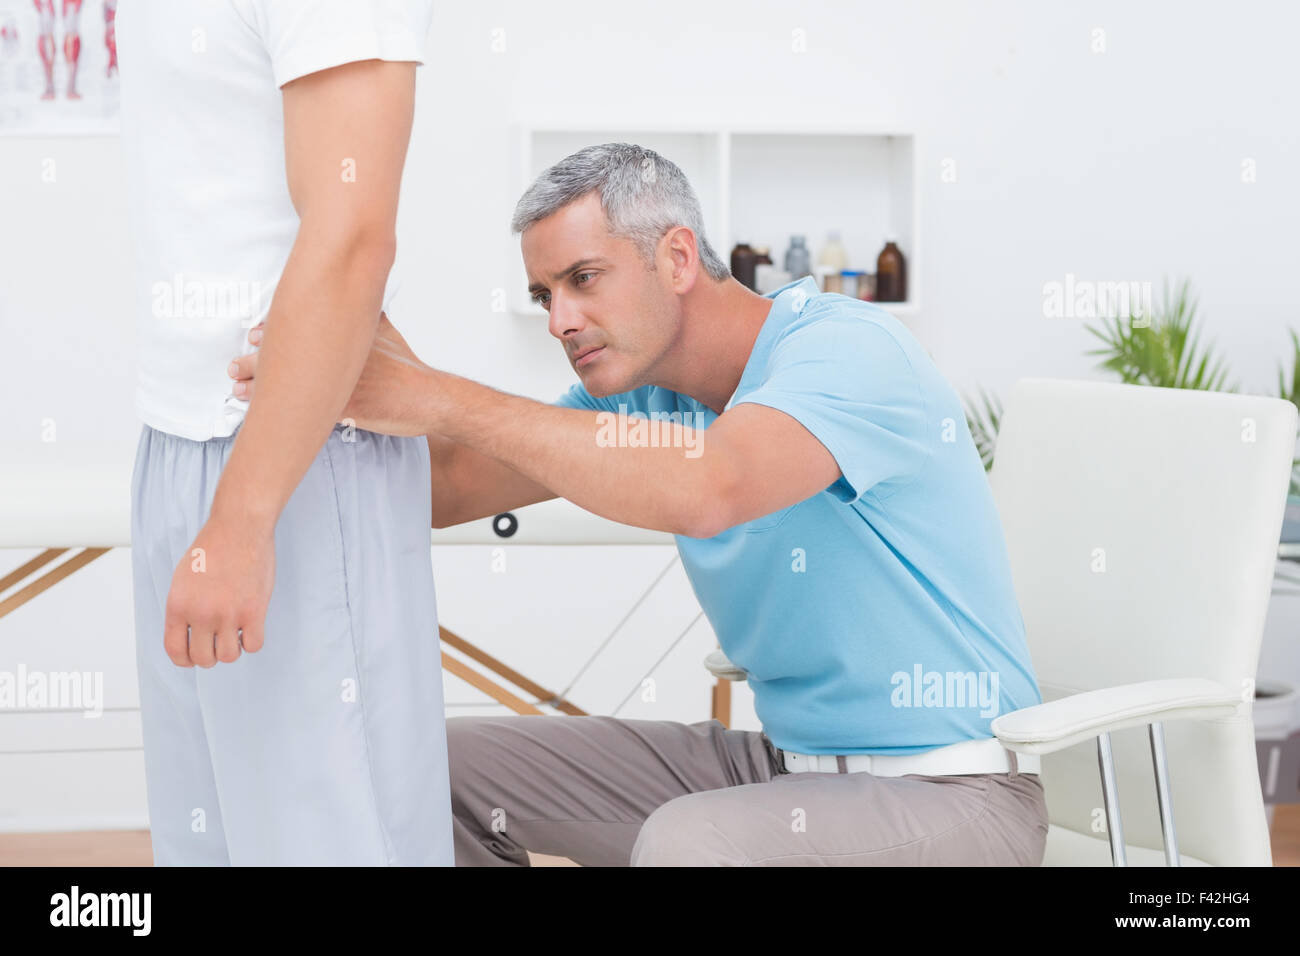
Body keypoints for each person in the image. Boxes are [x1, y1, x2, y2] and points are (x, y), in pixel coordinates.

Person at [231, 142, 1049, 866]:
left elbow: (710, 485)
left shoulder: (845, 352)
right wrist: (340, 366)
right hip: (781, 766)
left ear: (678, 258)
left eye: (582, 279)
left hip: (955, 793)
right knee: (432, 769)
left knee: (689, 846)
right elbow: (446, 483)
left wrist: (437, 396)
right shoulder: (648, 402)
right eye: (543, 294)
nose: (560, 319)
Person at [118, 0, 449, 865]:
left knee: (329, 847)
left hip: (294, 454)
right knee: (207, 846)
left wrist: (245, 514)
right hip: (180, 438)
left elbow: (353, 235)